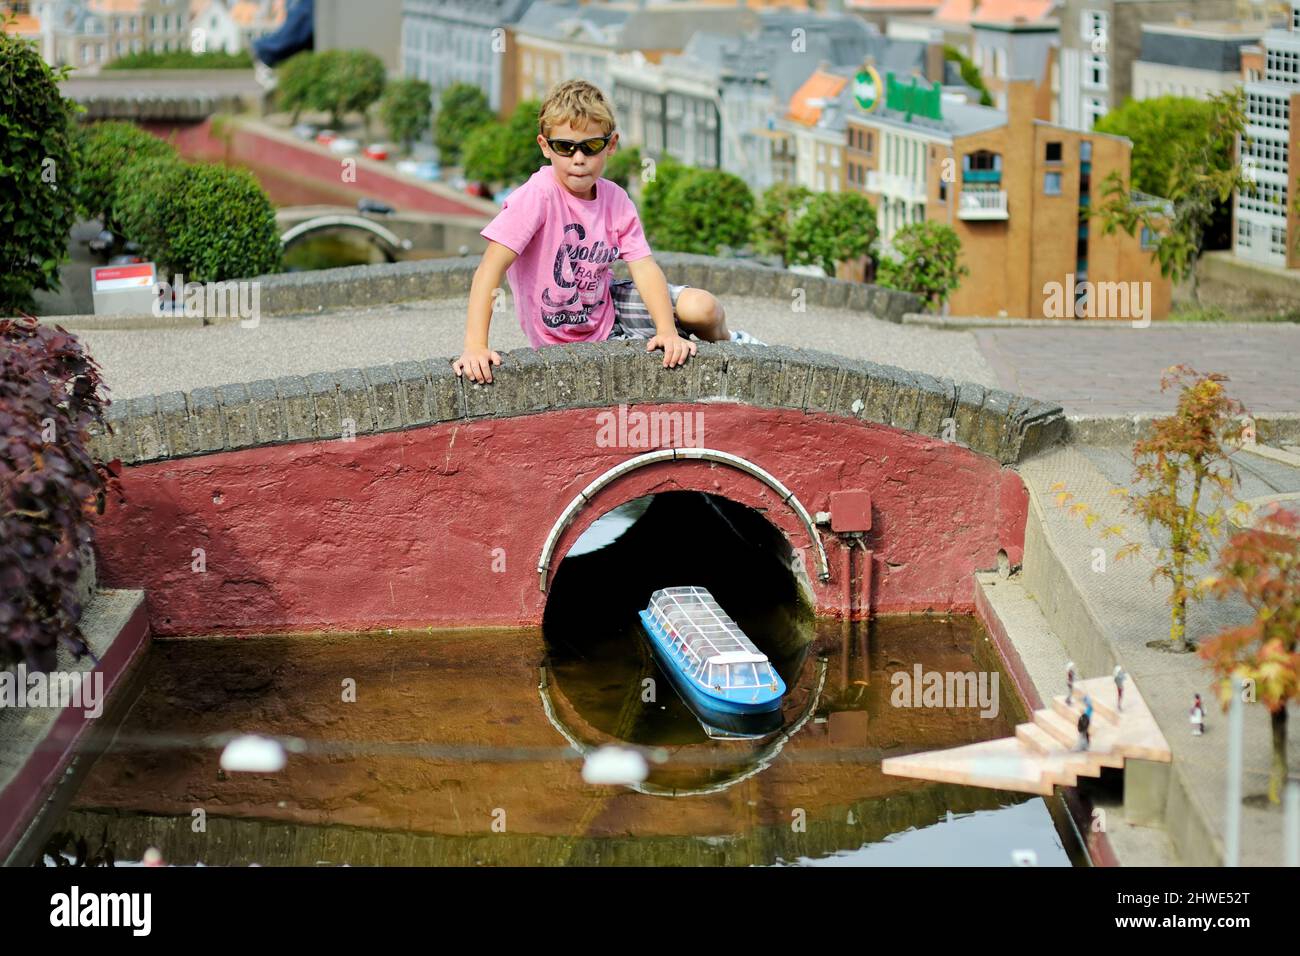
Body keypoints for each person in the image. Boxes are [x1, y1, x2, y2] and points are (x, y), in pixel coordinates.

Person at [454, 79, 760, 385]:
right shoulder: (537, 196)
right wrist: (476, 346)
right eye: (565, 147)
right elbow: (490, 269)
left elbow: (643, 266)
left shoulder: (615, 198)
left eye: (591, 146)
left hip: (610, 308)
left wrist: (665, 330)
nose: (578, 158)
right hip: (563, 336)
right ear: (545, 147)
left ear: (610, 145)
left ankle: (732, 345)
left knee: (702, 308)